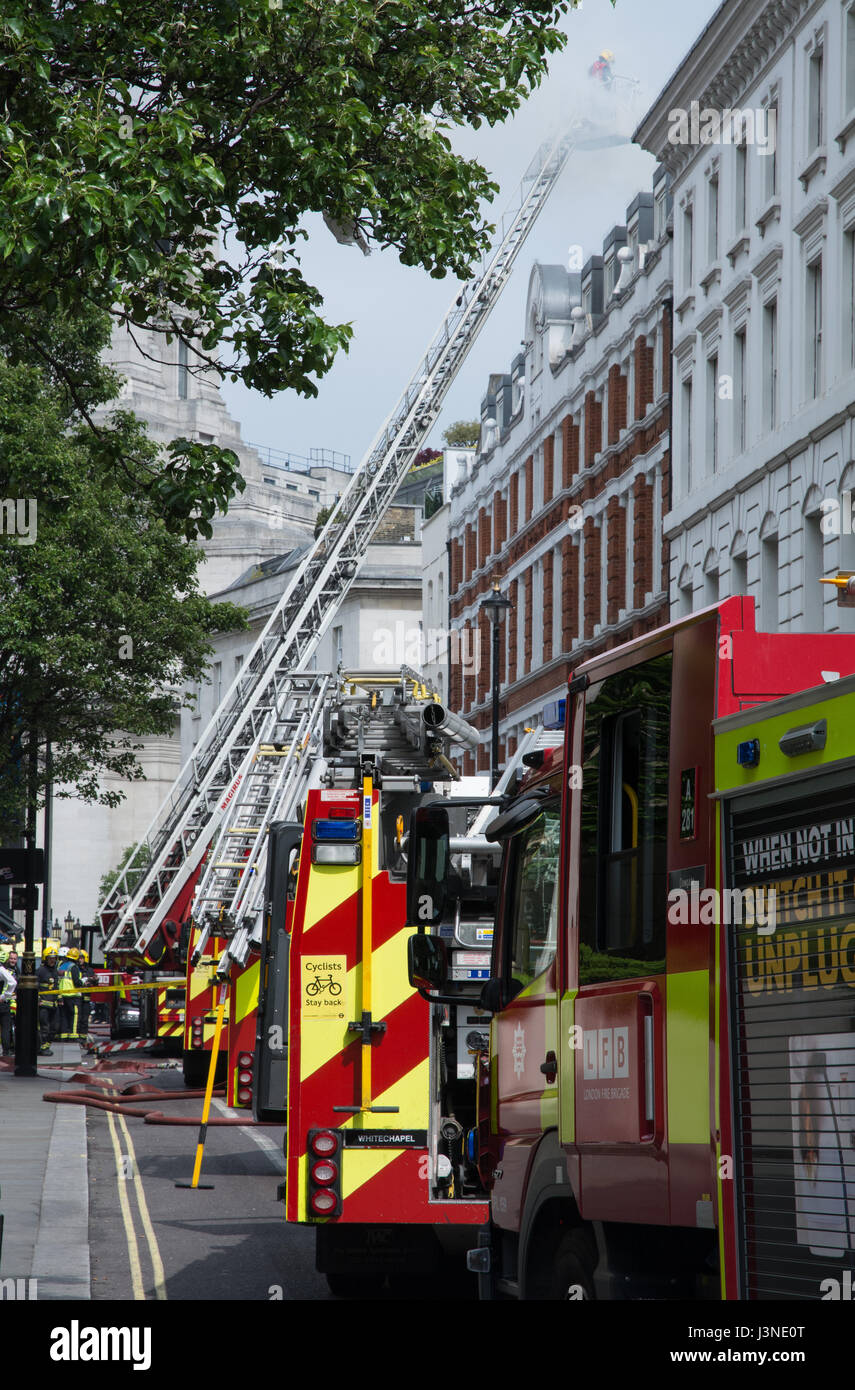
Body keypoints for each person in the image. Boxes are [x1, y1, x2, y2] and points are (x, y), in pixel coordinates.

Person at [37, 949, 60, 1054]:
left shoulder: (55, 970)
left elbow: (56, 986)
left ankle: (47, 1045)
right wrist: (38, 999)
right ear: (45, 959)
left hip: (54, 1004)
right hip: (44, 1005)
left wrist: (60, 998)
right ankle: (43, 1047)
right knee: (44, 1027)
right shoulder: (40, 971)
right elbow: (35, 986)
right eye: (50, 958)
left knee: (55, 1027)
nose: (52, 960)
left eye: (54, 958)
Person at [0, 961, 16, 1056]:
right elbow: (13, 982)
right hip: (2, 1003)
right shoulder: (1, 969)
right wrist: (5, 996)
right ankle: (6, 1051)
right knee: (5, 1027)